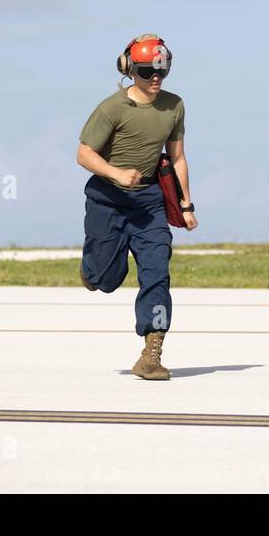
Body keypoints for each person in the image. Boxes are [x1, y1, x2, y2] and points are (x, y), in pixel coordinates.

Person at [76, 33, 198, 380]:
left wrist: (186, 205)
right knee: (106, 279)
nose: (155, 78)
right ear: (129, 70)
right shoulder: (111, 109)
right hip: (107, 199)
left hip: (149, 203)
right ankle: (92, 269)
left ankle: (152, 353)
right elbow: (84, 154)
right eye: (147, 72)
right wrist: (116, 172)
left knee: (157, 272)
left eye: (162, 71)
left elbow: (177, 157)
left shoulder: (174, 106)